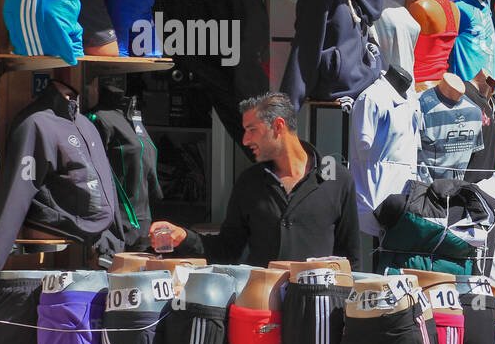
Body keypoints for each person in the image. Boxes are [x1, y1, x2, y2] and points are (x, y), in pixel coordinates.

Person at [149, 93, 359, 264]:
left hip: (318, 307)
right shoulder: (249, 182)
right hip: (262, 306)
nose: (245, 140)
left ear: (278, 127)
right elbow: (227, 250)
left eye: (252, 130)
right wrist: (185, 237)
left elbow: (350, 259)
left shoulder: (337, 178)